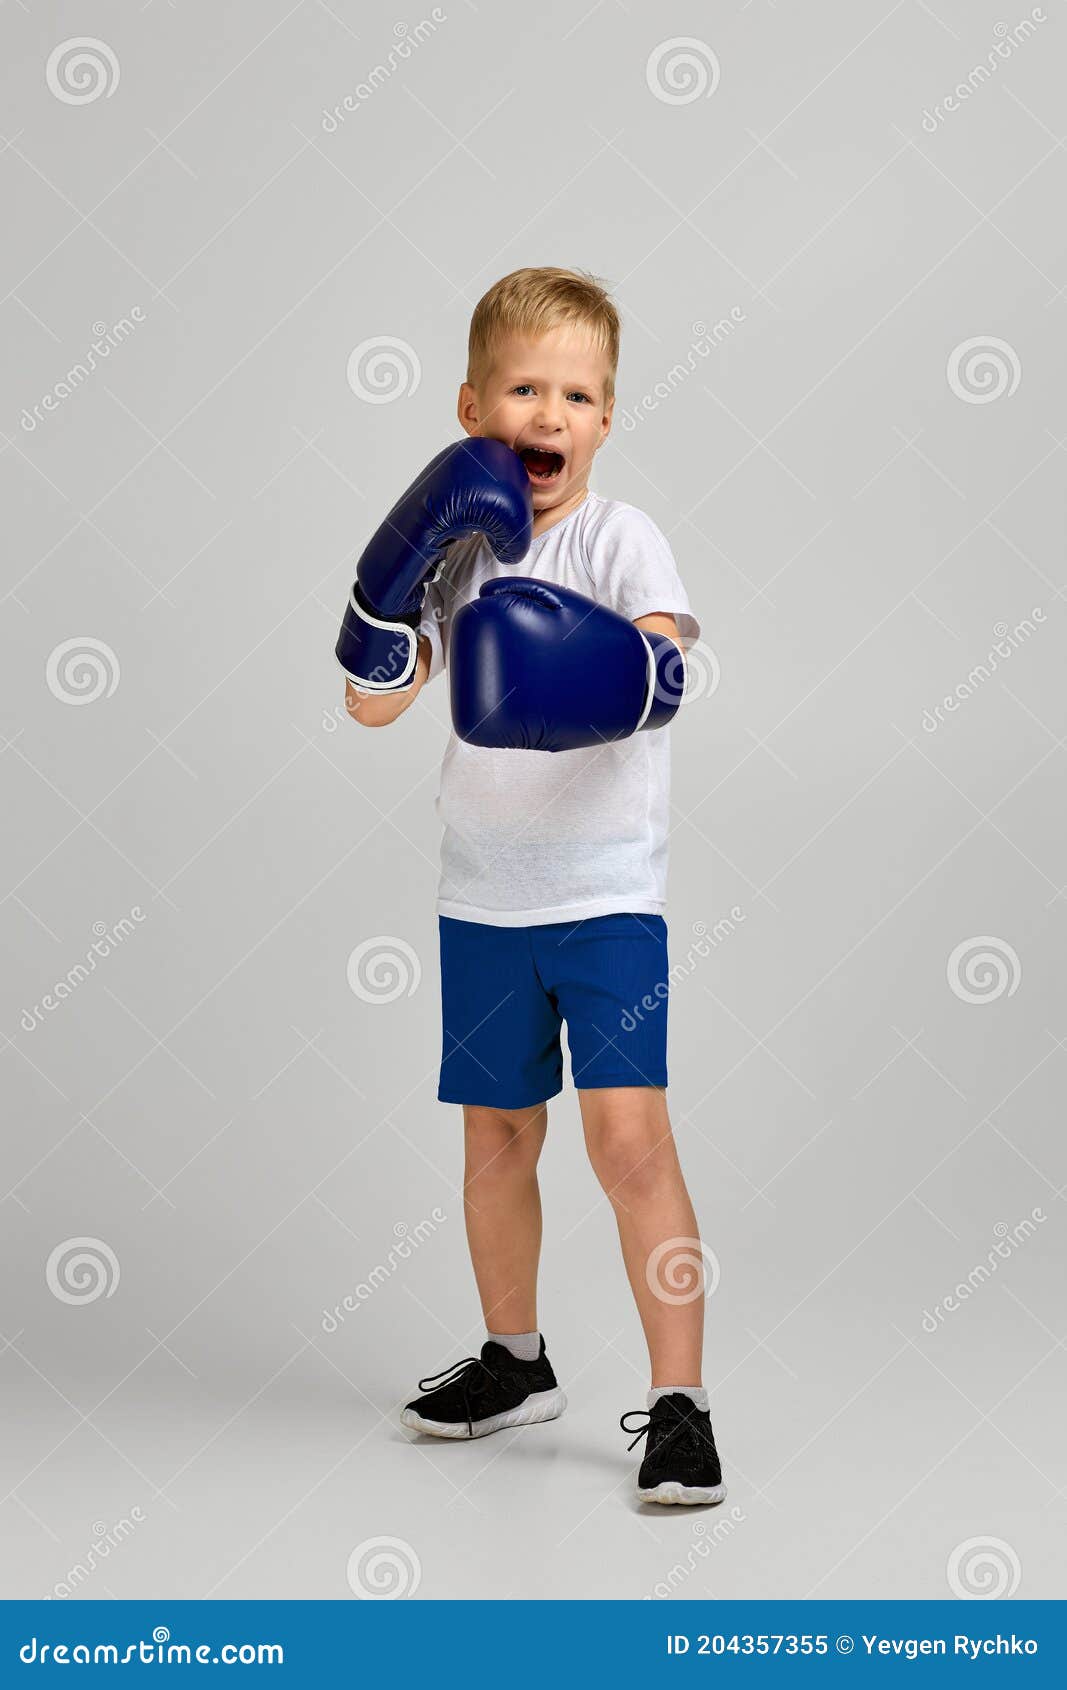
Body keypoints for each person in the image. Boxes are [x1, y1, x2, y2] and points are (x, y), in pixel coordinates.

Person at [335, 266, 725, 1506]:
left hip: (605, 896)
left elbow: (665, 661)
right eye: (521, 389)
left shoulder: (619, 537)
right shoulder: (461, 552)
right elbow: (372, 701)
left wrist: (603, 662)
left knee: (628, 1145)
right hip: (483, 898)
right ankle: (516, 1363)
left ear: (606, 417)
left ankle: (680, 1406)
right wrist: (382, 592)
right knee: (496, 1143)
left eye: (576, 393)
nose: (547, 414)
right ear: (470, 411)